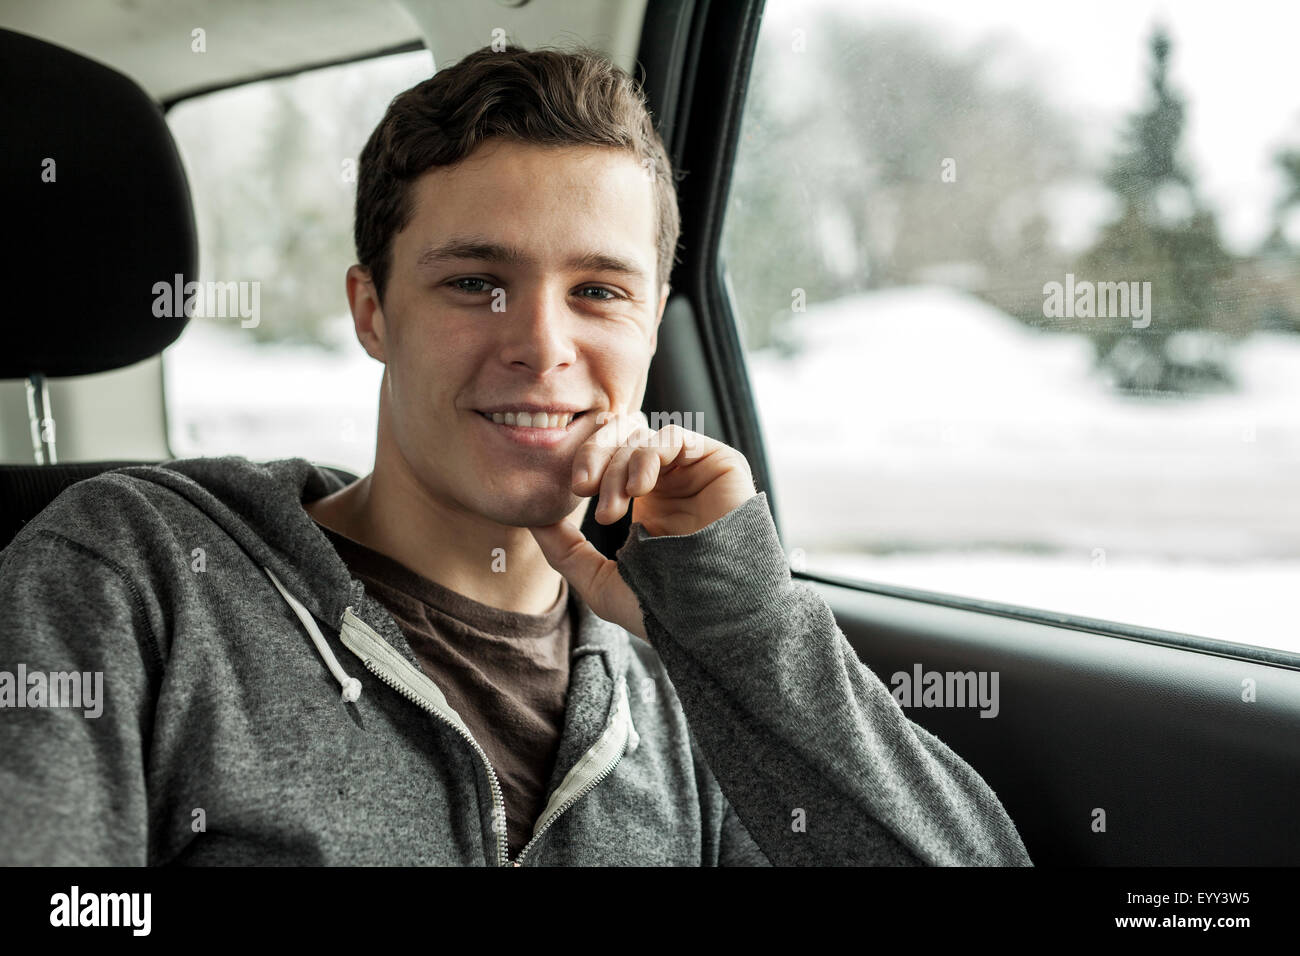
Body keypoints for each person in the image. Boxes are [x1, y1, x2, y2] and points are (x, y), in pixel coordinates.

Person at [0, 44, 1031, 866]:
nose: (542, 344)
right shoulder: (130, 572)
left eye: (598, 290)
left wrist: (737, 622)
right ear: (372, 311)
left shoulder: (689, 671)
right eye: (474, 282)